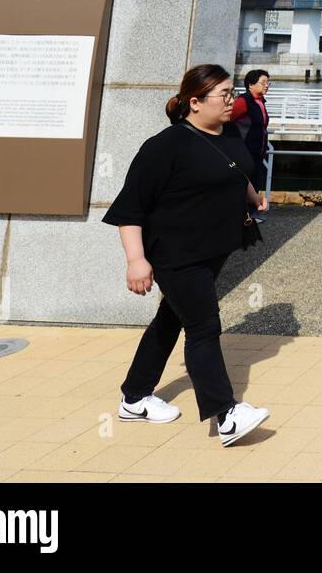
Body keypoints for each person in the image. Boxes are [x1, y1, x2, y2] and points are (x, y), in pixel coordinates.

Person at [104, 64, 271, 446]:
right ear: (194, 103)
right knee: (203, 326)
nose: (233, 101)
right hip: (174, 253)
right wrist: (136, 261)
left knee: (171, 319)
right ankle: (225, 414)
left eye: (233, 93)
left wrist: (252, 197)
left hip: (214, 247)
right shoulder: (165, 146)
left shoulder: (227, 132)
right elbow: (130, 209)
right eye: (224, 95)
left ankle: (134, 397)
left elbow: (237, 171)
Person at [230, 69, 271, 207]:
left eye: (268, 83)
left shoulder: (260, 101)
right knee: (244, 187)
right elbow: (226, 119)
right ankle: (241, 218)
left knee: (254, 185)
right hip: (245, 153)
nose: (267, 85)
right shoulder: (243, 101)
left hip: (258, 154)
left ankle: (250, 218)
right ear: (251, 85)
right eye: (263, 82)